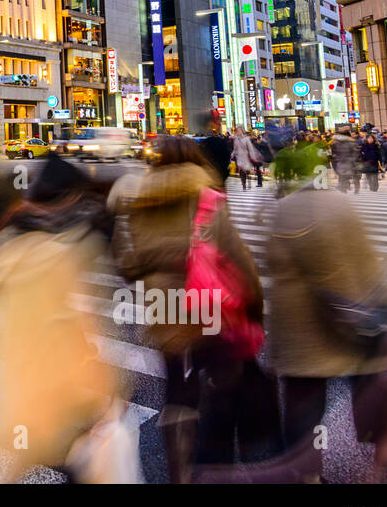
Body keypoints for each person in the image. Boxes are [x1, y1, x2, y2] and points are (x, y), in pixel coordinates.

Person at [108, 136, 269, 482]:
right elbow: (233, 251)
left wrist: (150, 273)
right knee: (222, 379)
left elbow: (125, 261)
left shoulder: (137, 197)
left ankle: (179, 473)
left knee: (178, 389)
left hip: (161, 301)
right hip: (207, 300)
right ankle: (217, 466)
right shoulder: (205, 191)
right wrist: (254, 301)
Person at [264, 144, 387, 483]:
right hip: (345, 315)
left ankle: (305, 474)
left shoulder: (280, 210)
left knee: (304, 402)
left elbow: (271, 261)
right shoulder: (337, 203)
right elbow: (365, 262)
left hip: (296, 322)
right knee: (368, 381)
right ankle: (381, 456)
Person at [193, 112, 232, 191]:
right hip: (220, 180)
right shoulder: (222, 143)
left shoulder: (203, 144)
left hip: (207, 182)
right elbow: (227, 162)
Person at [231, 127, 261, 191]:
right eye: (237, 131)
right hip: (239, 157)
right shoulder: (236, 139)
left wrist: (253, 157)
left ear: (242, 131)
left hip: (245, 156)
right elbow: (235, 148)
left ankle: (248, 179)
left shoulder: (246, 139)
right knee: (241, 170)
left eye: (239, 130)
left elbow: (250, 148)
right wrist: (232, 154)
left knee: (246, 170)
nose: (238, 132)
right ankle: (243, 183)